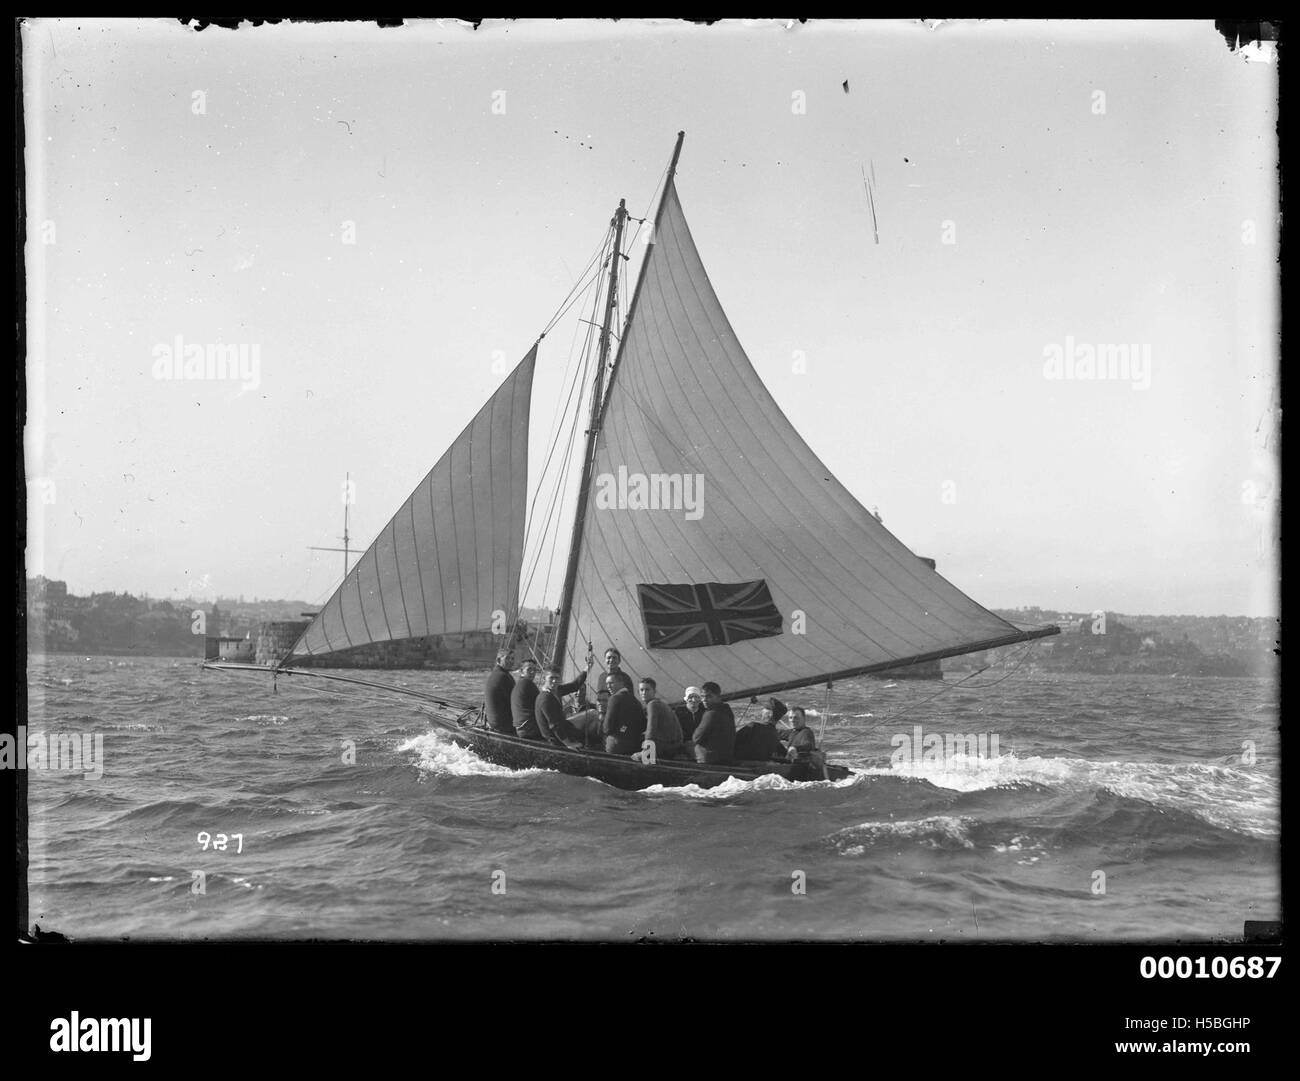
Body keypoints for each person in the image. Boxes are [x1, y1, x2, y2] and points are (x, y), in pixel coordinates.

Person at [534, 665, 596, 748]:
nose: (554, 681)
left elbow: (575, 685)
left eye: (557, 678)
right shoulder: (545, 699)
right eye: (551, 678)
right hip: (555, 739)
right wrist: (569, 744)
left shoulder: (556, 690)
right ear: (544, 679)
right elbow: (554, 726)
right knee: (590, 731)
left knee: (593, 713)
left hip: (563, 726)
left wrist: (587, 667)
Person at [633, 677, 684, 762]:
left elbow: (651, 730)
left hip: (667, 748)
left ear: (654, 691)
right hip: (675, 745)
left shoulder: (652, 705)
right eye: (641, 690)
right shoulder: (660, 703)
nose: (644, 693)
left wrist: (644, 753)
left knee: (634, 754)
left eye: (647, 690)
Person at [691, 681, 735, 765]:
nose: (704, 700)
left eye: (709, 696)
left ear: (718, 697)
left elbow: (696, 738)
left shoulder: (711, 713)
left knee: (686, 746)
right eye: (702, 696)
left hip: (709, 759)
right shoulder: (727, 709)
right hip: (725, 757)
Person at [601, 672, 645, 755]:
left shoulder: (614, 698)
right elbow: (642, 725)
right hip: (634, 746)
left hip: (616, 747)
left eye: (611, 683)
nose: (608, 686)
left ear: (621, 683)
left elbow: (607, 728)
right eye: (607, 684)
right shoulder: (636, 701)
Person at [734, 696, 787, 761]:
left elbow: (733, 740)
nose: (762, 711)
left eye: (764, 709)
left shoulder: (753, 727)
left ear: (770, 714)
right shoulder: (776, 736)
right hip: (759, 768)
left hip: (738, 764)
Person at [484, 646, 516, 734]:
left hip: (494, 722)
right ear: (498, 660)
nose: (511, 661)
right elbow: (515, 703)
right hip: (503, 726)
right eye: (507, 658)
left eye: (512, 659)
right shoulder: (503, 677)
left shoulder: (496, 674)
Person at [510, 658, 543, 739]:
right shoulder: (528, 684)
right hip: (528, 730)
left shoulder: (520, 683)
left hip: (521, 728)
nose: (533, 672)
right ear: (522, 671)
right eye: (529, 669)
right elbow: (543, 706)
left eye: (535, 670)